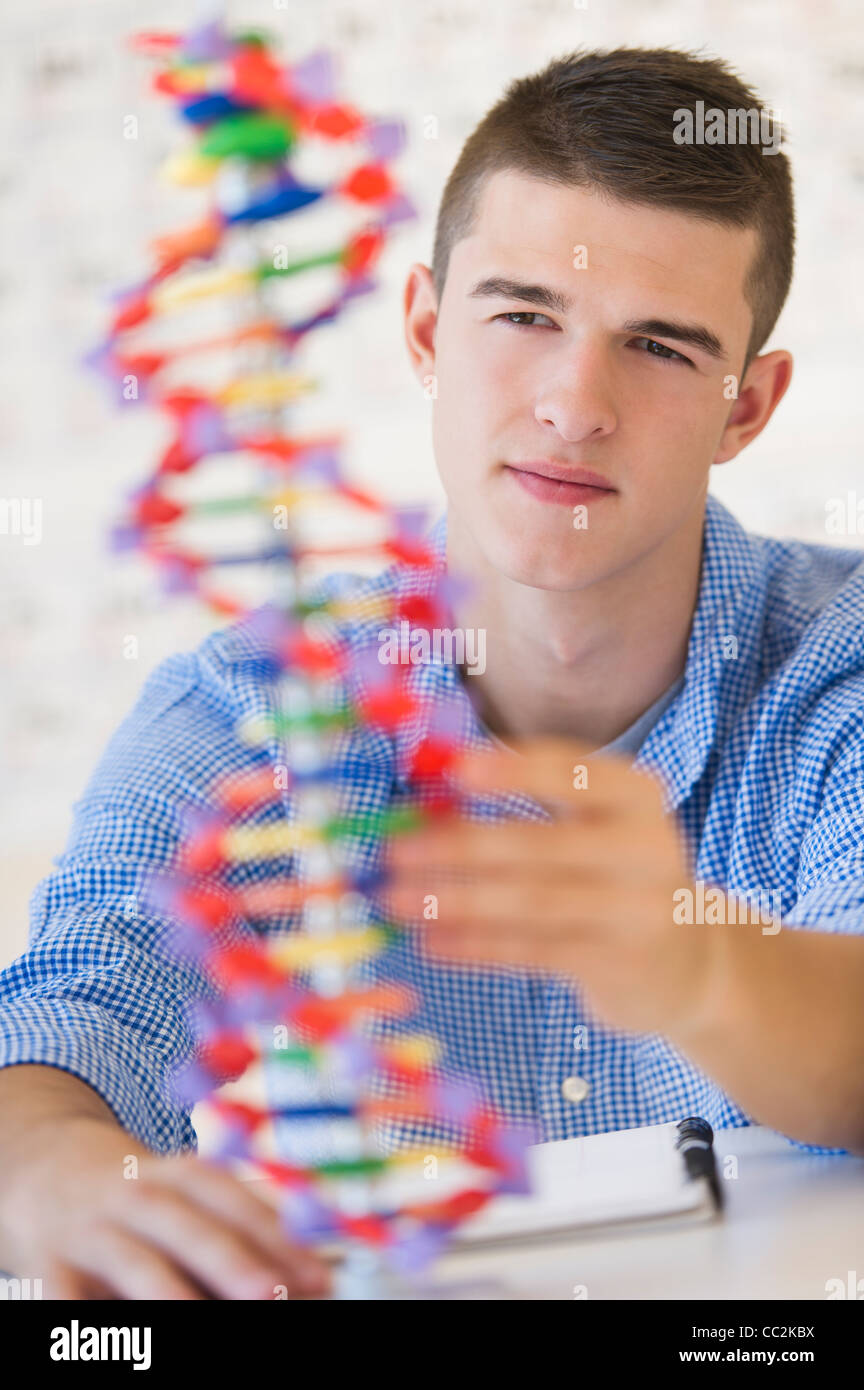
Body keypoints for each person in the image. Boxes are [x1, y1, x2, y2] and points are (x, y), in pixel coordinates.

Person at [2, 46, 864, 1300]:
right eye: (524, 315)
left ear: (748, 406)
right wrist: (53, 1175)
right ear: (424, 329)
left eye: (662, 347)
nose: (576, 404)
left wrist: (701, 964)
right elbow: (74, 1006)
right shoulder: (258, 708)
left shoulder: (842, 670)